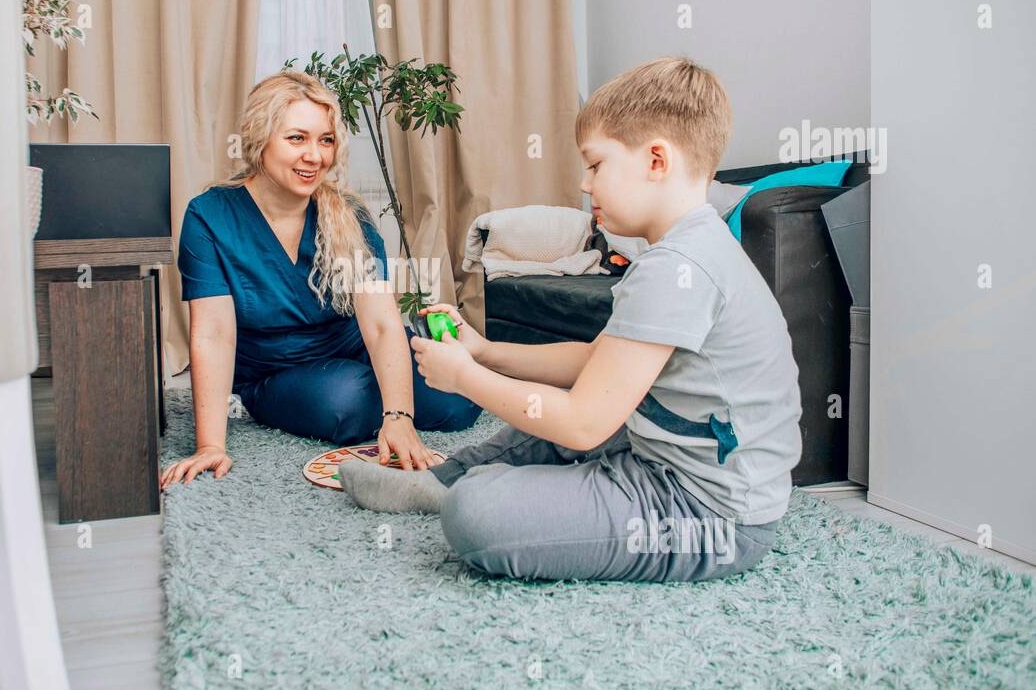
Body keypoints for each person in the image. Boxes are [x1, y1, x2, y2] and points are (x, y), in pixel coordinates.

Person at [338, 56, 803, 583]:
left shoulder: (680, 267)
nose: (584, 184)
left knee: (478, 512)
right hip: (680, 458)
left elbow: (584, 423)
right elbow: (595, 360)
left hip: (709, 514)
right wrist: (484, 351)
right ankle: (442, 478)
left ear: (656, 160)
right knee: (546, 426)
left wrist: (466, 378)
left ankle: (465, 489)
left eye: (596, 164)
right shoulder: (681, 249)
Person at [160, 71, 480, 487]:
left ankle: (385, 393)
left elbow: (382, 325)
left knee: (460, 397)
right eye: (297, 138)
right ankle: (365, 391)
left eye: (325, 140)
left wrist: (399, 416)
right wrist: (210, 446)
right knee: (347, 400)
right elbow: (214, 335)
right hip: (275, 370)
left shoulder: (350, 213)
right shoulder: (209, 215)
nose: (315, 156)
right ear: (260, 139)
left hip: (354, 345)